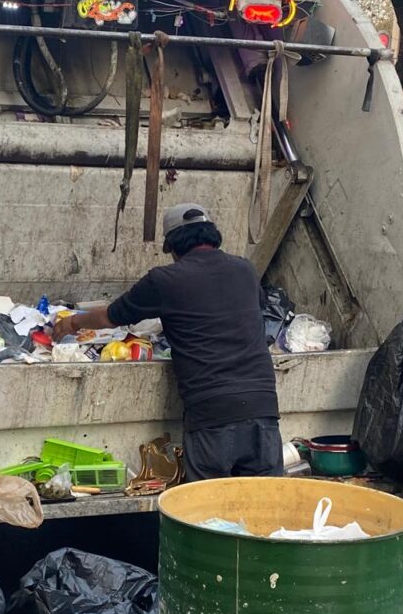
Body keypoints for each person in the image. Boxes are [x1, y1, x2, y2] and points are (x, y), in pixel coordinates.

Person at [53, 203, 283, 481]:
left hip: (212, 414)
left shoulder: (165, 280)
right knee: (265, 508)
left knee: (205, 515)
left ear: (173, 247)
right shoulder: (245, 270)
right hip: (264, 408)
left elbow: (111, 316)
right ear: (211, 235)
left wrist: (72, 323)